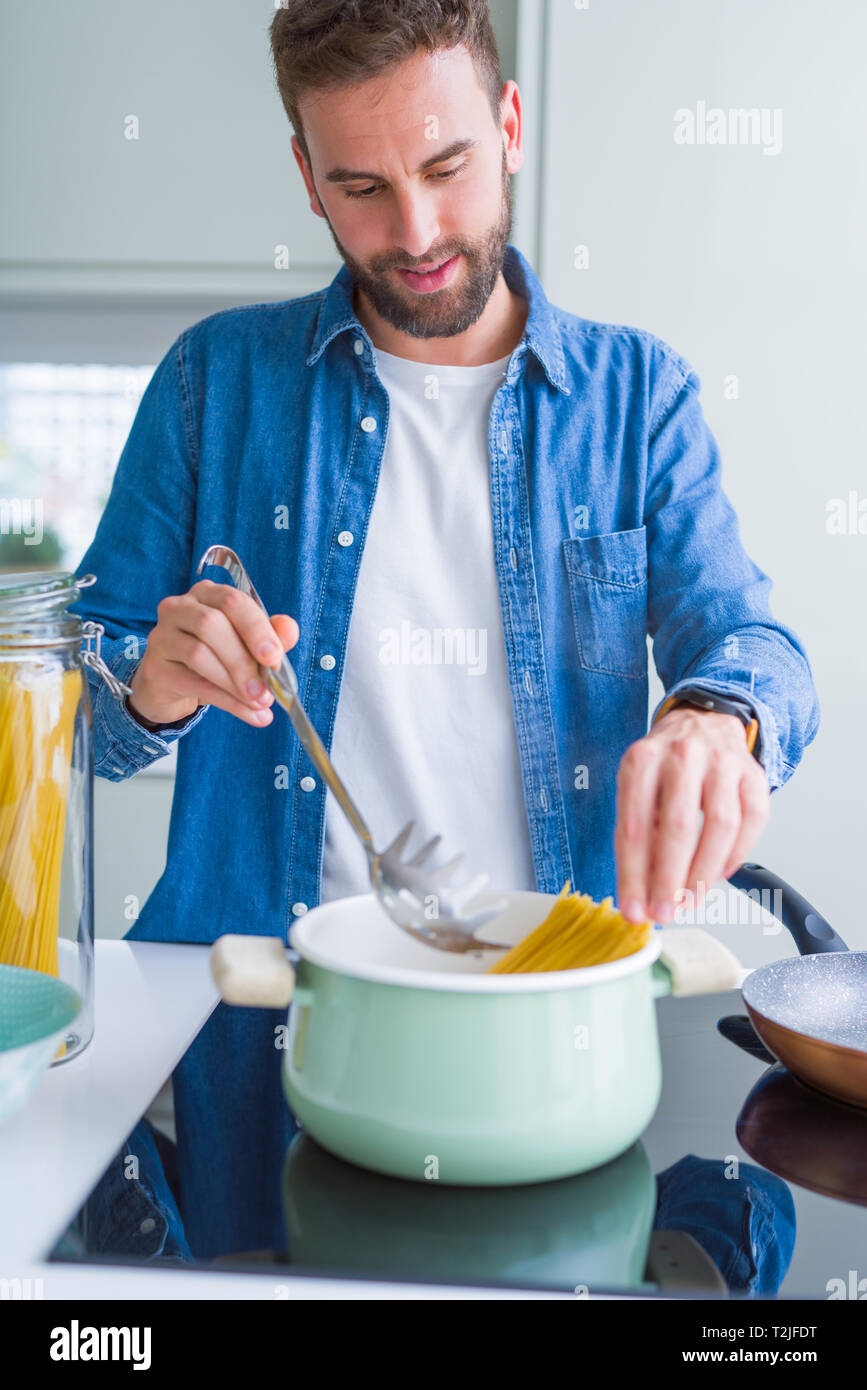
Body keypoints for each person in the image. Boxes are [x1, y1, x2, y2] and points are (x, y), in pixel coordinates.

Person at [72, 0, 819, 1258]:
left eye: (446, 167)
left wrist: (719, 717)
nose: (414, 233)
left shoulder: (640, 399)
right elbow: (79, 713)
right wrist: (146, 685)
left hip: (549, 1040)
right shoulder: (214, 381)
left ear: (510, 126)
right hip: (258, 1042)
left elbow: (755, 646)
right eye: (361, 185)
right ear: (305, 178)